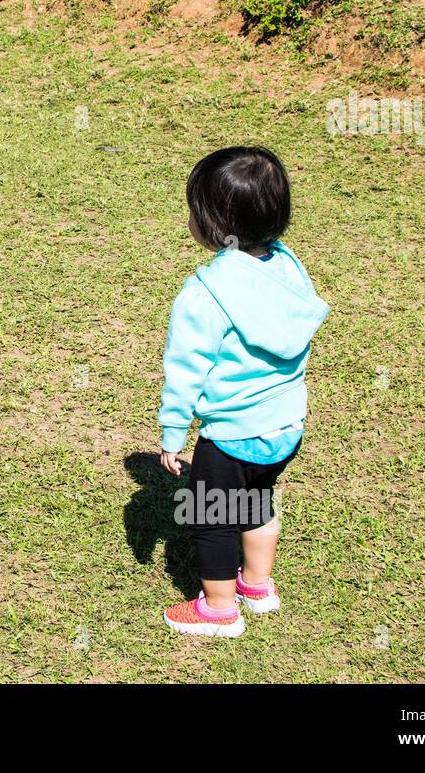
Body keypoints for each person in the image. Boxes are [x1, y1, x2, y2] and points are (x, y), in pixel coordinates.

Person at [157, 146, 329, 638]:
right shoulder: (287, 267)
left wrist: (172, 435)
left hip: (233, 434)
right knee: (256, 500)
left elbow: (186, 370)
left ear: (212, 225)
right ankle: (257, 585)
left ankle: (219, 610)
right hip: (285, 427)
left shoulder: (205, 294)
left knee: (212, 517)